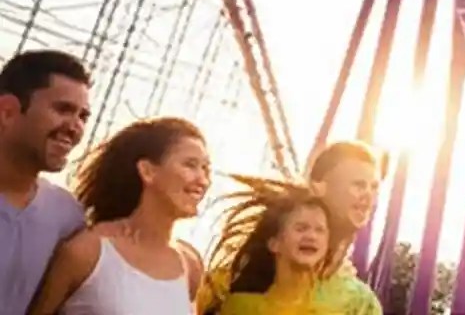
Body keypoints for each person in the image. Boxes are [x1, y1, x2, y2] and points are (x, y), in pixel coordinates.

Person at [26, 117, 210, 314]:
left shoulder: (190, 265)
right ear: (147, 171)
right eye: (190, 165)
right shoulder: (87, 253)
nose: (203, 180)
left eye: (206, 169)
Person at [198, 140, 385, 314]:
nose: (368, 195)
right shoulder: (233, 281)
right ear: (318, 187)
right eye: (358, 185)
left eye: (374, 187)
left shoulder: (360, 302)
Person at [0, 49, 92, 314]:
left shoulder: (68, 217)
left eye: (83, 116)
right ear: (7, 111)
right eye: (63, 109)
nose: (75, 127)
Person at [211, 179, 377, 314]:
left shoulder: (356, 302)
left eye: (320, 230)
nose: (311, 236)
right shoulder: (241, 307)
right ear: (274, 243)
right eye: (301, 228)